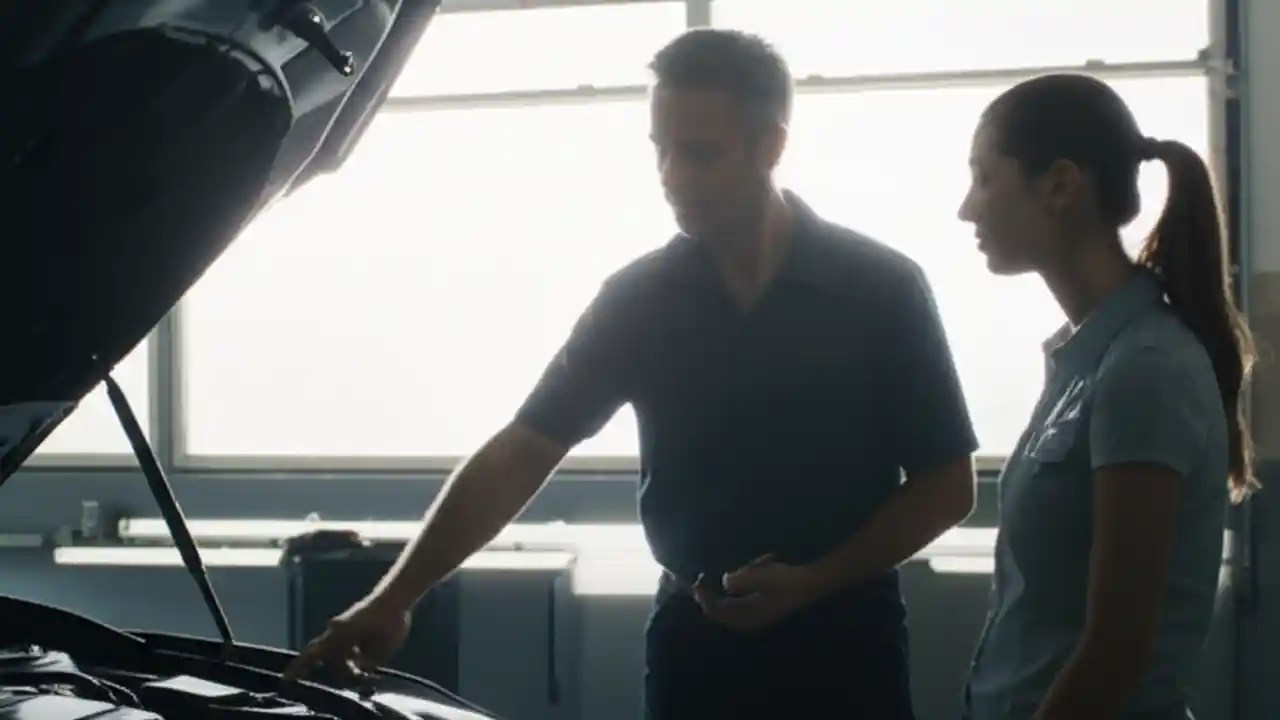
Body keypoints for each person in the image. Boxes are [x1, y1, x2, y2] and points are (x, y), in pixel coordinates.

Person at [284, 28, 979, 718]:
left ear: (771, 146)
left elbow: (947, 487)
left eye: (699, 154)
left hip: (845, 649)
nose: (672, 175)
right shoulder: (638, 300)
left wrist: (813, 583)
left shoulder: (881, 288)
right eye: (662, 149)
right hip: (694, 651)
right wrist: (392, 598)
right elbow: (525, 448)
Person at [957, 73, 1257, 720]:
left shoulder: (1144, 367)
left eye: (984, 178)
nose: (968, 208)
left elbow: (1117, 649)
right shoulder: (1086, 357)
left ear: (1060, 186)